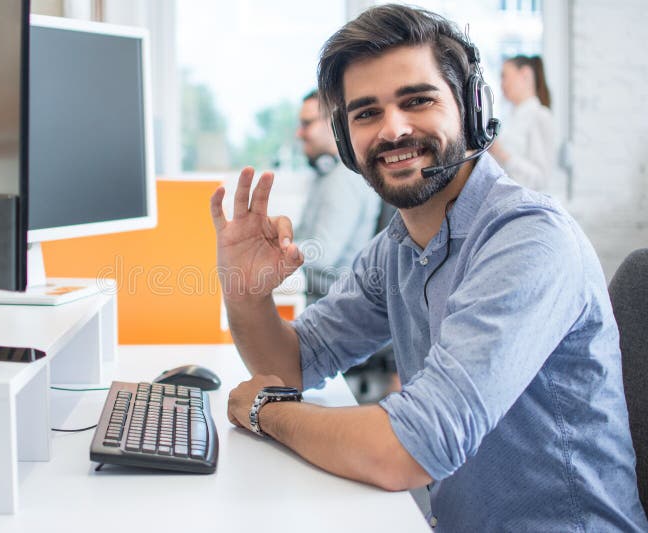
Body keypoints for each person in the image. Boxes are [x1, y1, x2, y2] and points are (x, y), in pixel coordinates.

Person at [209, 5, 648, 531]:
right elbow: (293, 365)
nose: (393, 130)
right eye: (366, 113)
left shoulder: (528, 239)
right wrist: (244, 292)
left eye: (417, 100)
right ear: (346, 139)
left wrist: (268, 413)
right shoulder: (397, 246)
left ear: (470, 108)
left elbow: (411, 449)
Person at [294, 89, 381, 302]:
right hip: (322, 304)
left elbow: (323, 254)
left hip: (341, 311)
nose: (300, 133)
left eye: (307, 124)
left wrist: (273, 250)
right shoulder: (324, 175)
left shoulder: (344, 179)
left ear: (331, 124)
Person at [489, 55, 557, 191]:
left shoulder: (540, 116)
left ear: (525, 74)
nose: (501, 84)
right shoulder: (510, 117)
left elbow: (541, 179)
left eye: (504, 76)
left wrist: (501, 153)